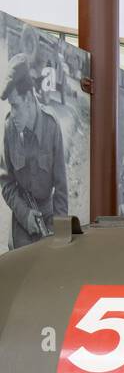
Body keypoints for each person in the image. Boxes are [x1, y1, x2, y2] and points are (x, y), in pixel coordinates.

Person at [1, 54, 66, 248]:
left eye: (15, 106)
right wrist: (24, 214)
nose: (12, 115)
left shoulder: (52, 126)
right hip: (21, 217)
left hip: (47, 216)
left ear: (28, 98)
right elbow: (6, 182)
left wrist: (59, 232)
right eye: (10, 107)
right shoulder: (9, 127)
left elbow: (61, 189)